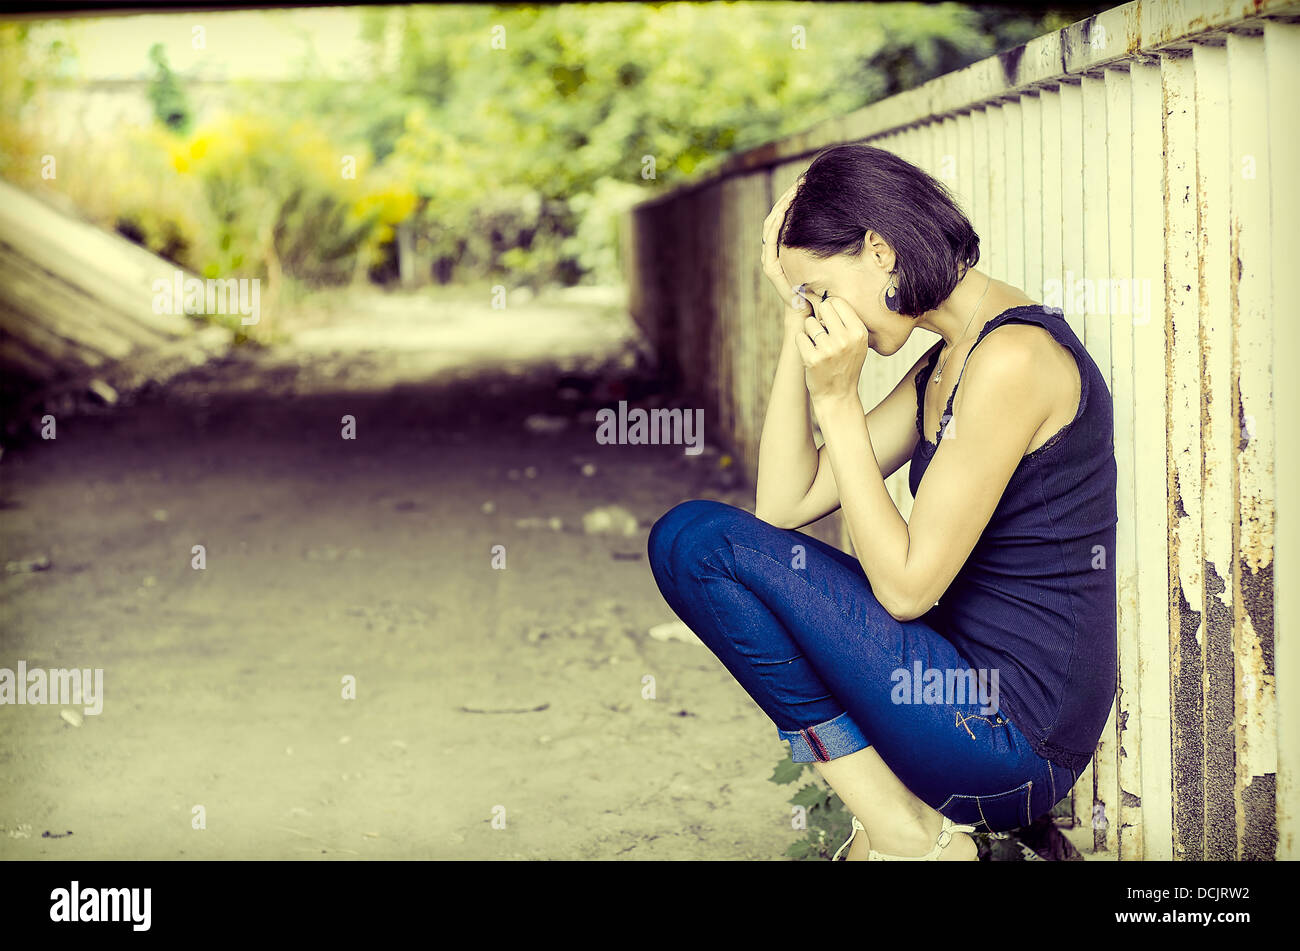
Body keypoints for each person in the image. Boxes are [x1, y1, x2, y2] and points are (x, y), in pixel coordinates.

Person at [647, 144, 1118, 861]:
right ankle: (905, 826)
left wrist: (837, 400)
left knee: (702, 540)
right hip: (945, 685)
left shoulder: (1013, 360)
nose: (823, 315)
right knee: (693, 541)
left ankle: (920, 837)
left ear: (878, 249)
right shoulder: (947, 359)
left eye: (823, 291)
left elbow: (904, 588)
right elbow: (782, 504)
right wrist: (793, 326)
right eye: (810, 301)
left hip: (1010, 741)